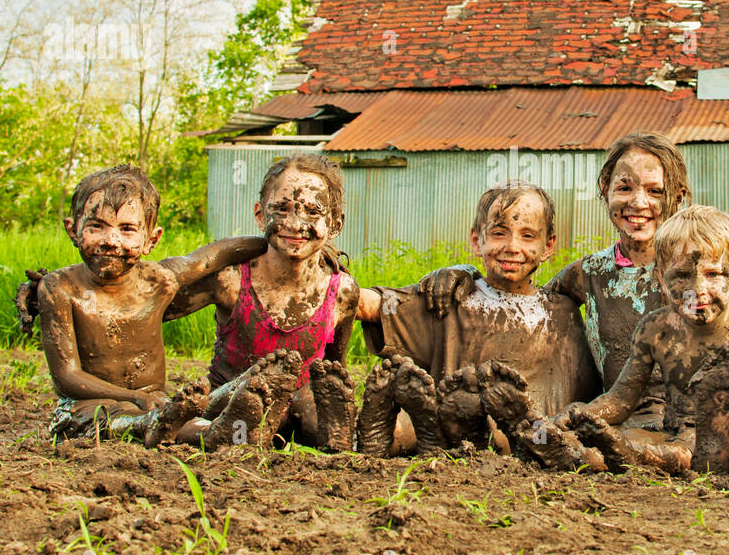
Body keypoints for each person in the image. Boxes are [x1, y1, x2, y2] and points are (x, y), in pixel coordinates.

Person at [421, 131, 729, 431]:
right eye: (624, 187)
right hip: (627, 414)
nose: (638, 201)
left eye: (655, 191)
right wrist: (462, 273)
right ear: (605, 192)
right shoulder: (590, 274)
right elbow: (522, 291)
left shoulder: (710, 261)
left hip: (710, 413)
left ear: (678, 197)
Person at [353, 182, 603, 468]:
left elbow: (583, 395)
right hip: (448, 428)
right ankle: (388, 434)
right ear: (476, 240)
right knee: (407, 425)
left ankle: (493, 437)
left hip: (532, 439)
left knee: (567, 445)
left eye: (527, 236)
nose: (512, 247)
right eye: (499, 233)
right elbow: (367, 304)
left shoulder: (562, 314)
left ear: (548, 246)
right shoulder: (450, 297)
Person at [554, 205, 729, 476]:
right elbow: (621, 400)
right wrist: (580, 414)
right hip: (674, 433)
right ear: (660, 278)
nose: (698, 290)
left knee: (700, 450)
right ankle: (611, 451)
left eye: (714, 274)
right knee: (596, 444)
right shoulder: (655, 329)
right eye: (681, 276)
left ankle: (633, 456)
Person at [38, 166, 266, 445]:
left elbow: (218, 253)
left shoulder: (158, 281)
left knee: (179, 416)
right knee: (117, 420)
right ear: (73, 230)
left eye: (127, 229)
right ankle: (206, 431)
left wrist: (283, 242)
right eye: (96, 226)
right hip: (86, 408)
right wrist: (135, 397)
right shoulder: (59, 288)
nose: (111, 241)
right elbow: (66, 376)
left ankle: (222, 429)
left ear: (151, 239)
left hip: (154, 403)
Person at [163, 153, 362, 450]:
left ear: (334, 224)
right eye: (281, 209)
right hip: (230, 408)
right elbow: (155, 310)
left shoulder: (342, 292)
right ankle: (236, 429)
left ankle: (337, 437)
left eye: (312, 212)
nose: (294, 224)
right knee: (188, 421)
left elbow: (333, 370)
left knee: (311, 403)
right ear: (260, 214)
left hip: (300, 414)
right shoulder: (231, 281)